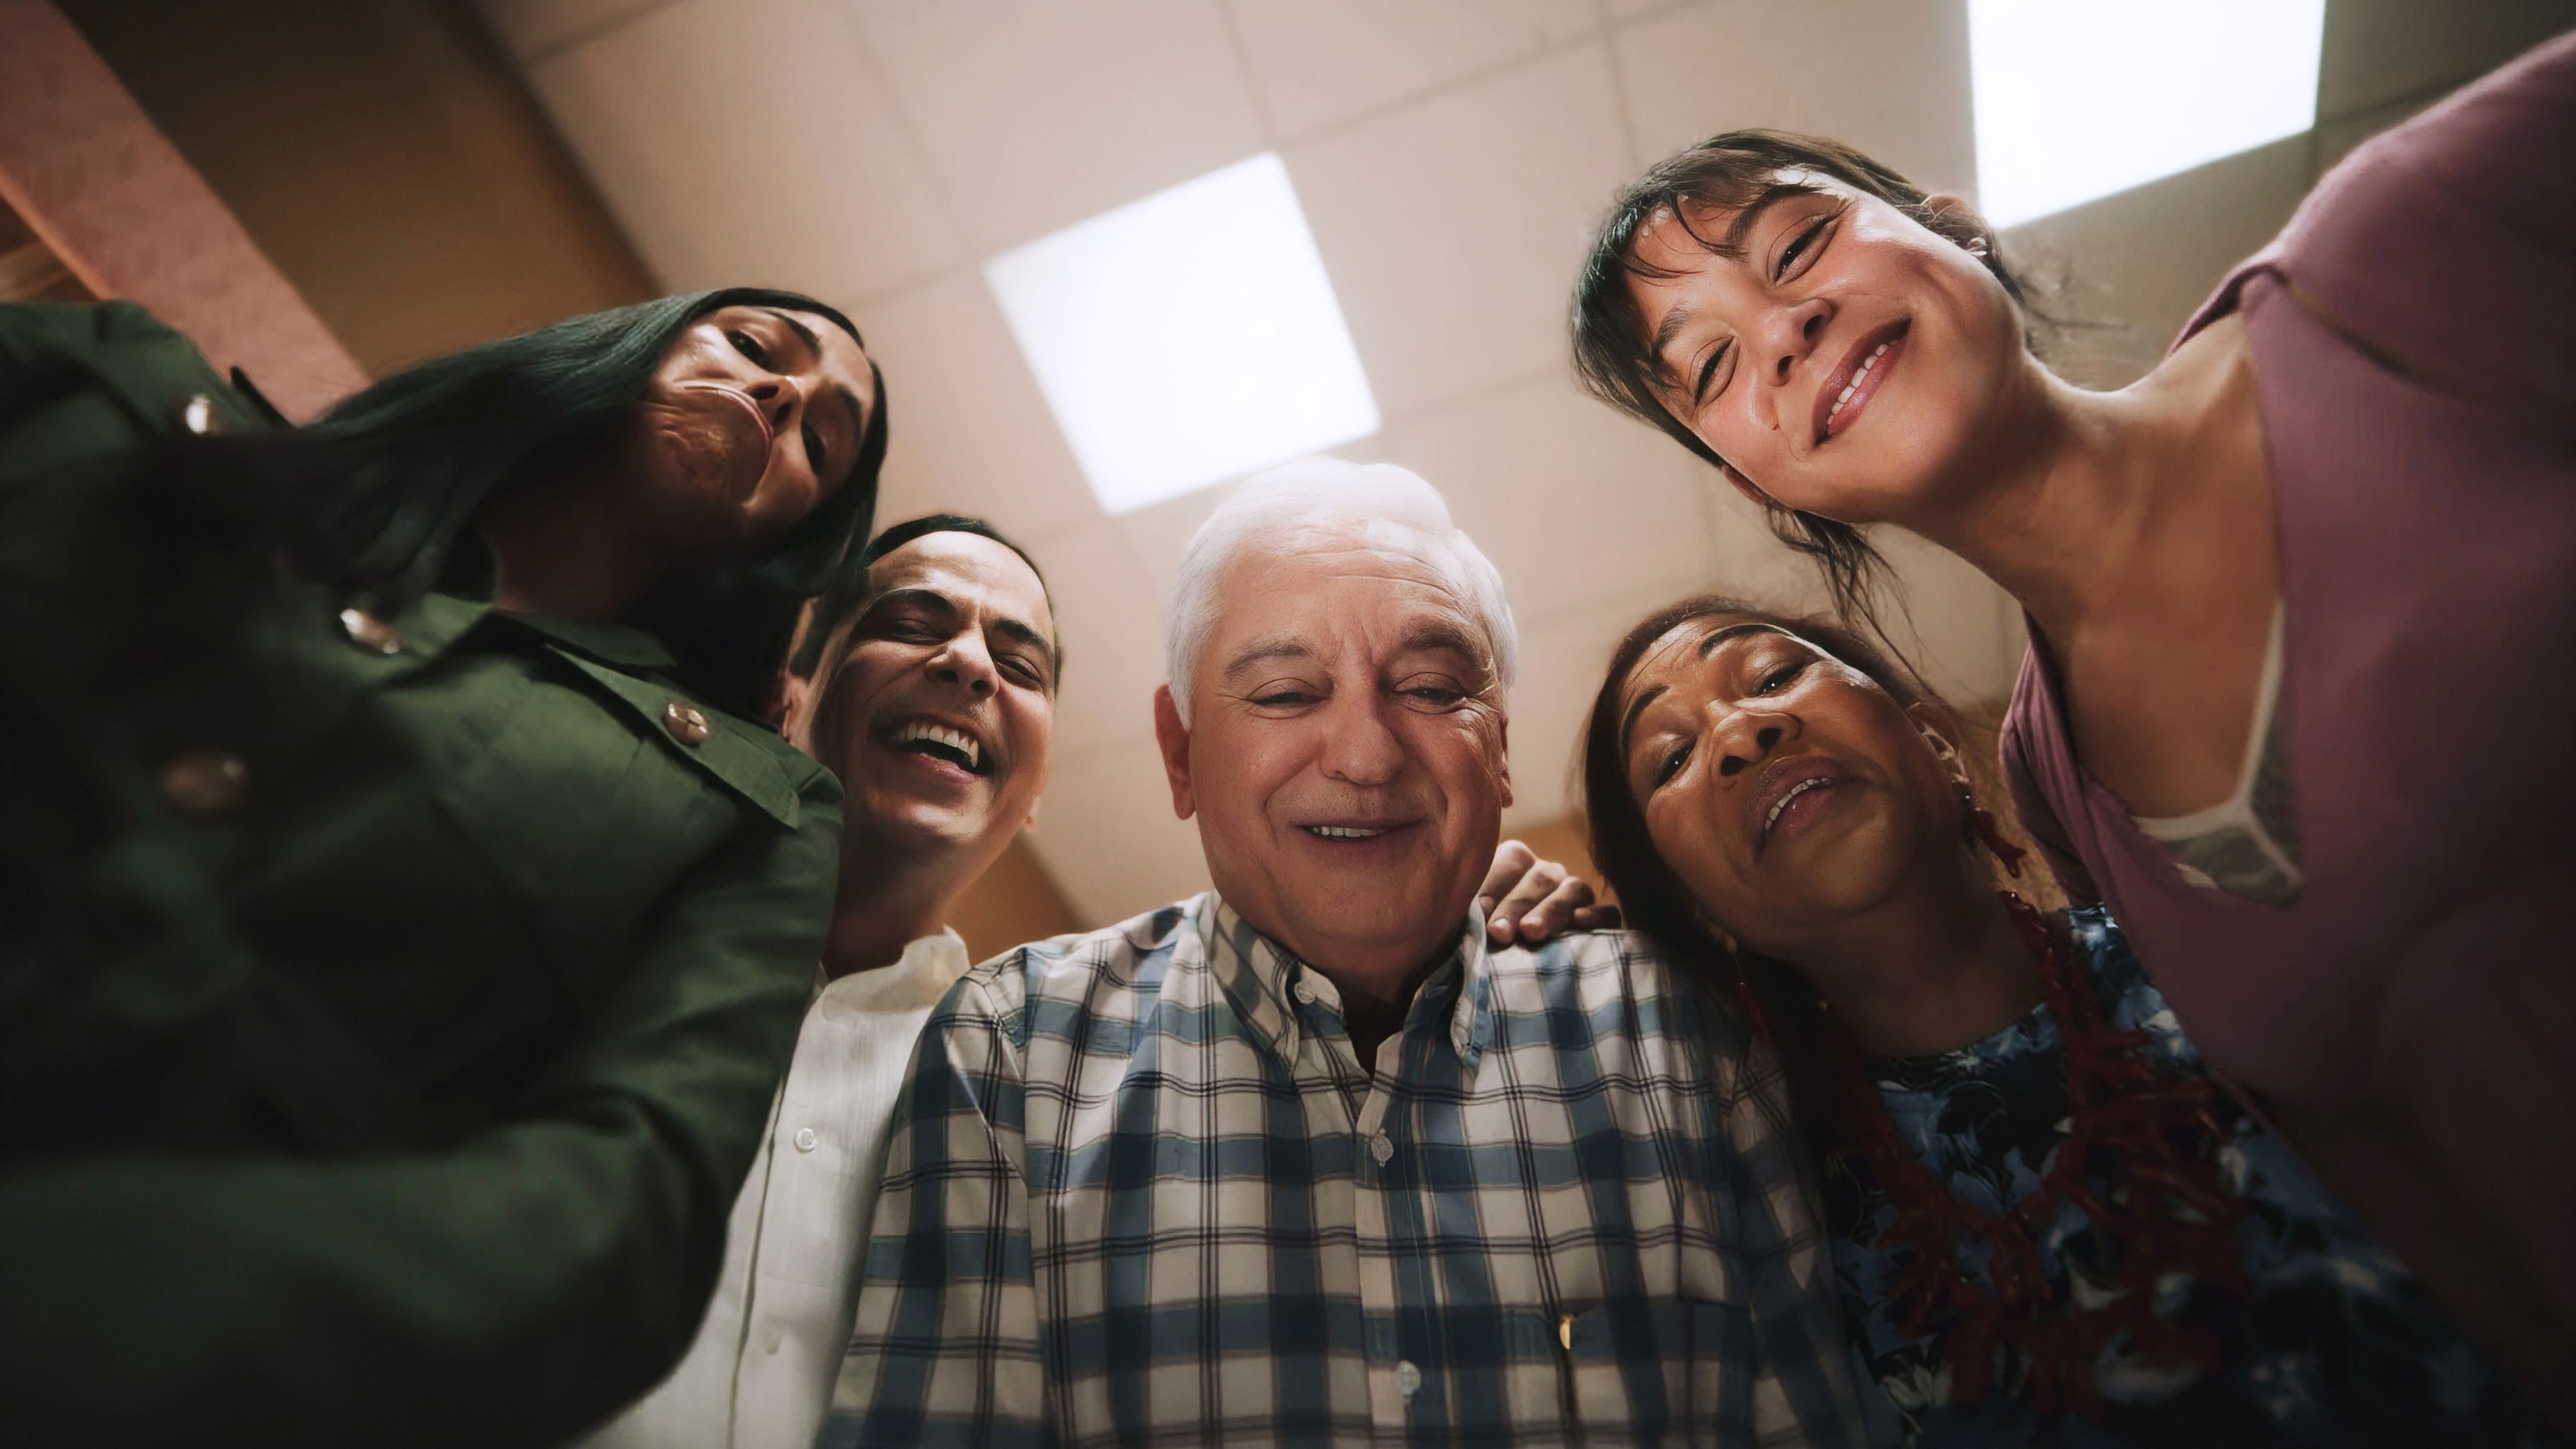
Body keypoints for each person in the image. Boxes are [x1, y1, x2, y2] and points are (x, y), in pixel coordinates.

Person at [1565, 36, 2576, 1419]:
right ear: (1762, 478)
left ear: (1948, 226)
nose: (1785, 328)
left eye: (1798, 244)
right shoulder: (2063, 780)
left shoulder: (2390, 265)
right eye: (1715, 364)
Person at [820, 458, 1865, 1448]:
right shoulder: (1012, 1056)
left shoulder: (1676, 1034)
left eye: (1428, 686)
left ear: (1498, 748)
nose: (1366, 756)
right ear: (1180, 754)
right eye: (1283, 694)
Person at [0, 289, 884, 1448]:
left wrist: (97, 1307)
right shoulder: (123, 381)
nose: (779, 395)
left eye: (820, 440)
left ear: (792, 541)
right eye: (756, 347)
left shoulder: (751, 814)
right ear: (626, 340)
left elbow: (615, 1223)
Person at [1579, 594, 2559, 1446]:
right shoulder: (1766, 1200)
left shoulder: (2219, 942)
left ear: (1935, 746)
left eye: (1775, 672)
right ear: (1702, 919)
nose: (1743, 734)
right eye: (1671, 757)